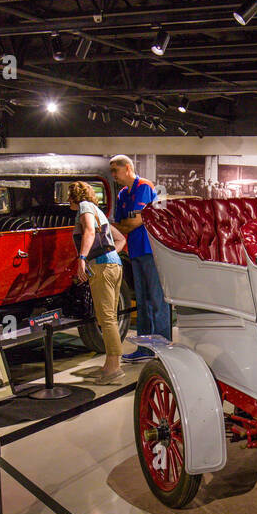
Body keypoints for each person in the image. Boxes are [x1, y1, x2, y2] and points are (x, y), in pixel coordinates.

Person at [110, 154, 168, 361]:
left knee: (156, 300)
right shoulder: (123, 194)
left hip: (150, 250)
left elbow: (132, 223)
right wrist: (126, 223)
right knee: (143, 302)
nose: (113, 175)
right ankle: (145, 349)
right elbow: (121, 223)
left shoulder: (143, 186)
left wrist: (124, 224)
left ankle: (162, 349)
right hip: (135, 251)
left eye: (115, 170)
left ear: (127, 168)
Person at [70, 181, 125, 384]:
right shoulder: (98, 211)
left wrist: (82, 259)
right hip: (114, 265)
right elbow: (120, 240)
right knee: (108, 317)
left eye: (69, 196)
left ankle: (114, 368)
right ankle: (110, 364)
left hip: (101, 267)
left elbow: (89, 232)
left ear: (75, 196)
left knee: (106, 318)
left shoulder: (84, 207)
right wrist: (109, 254)